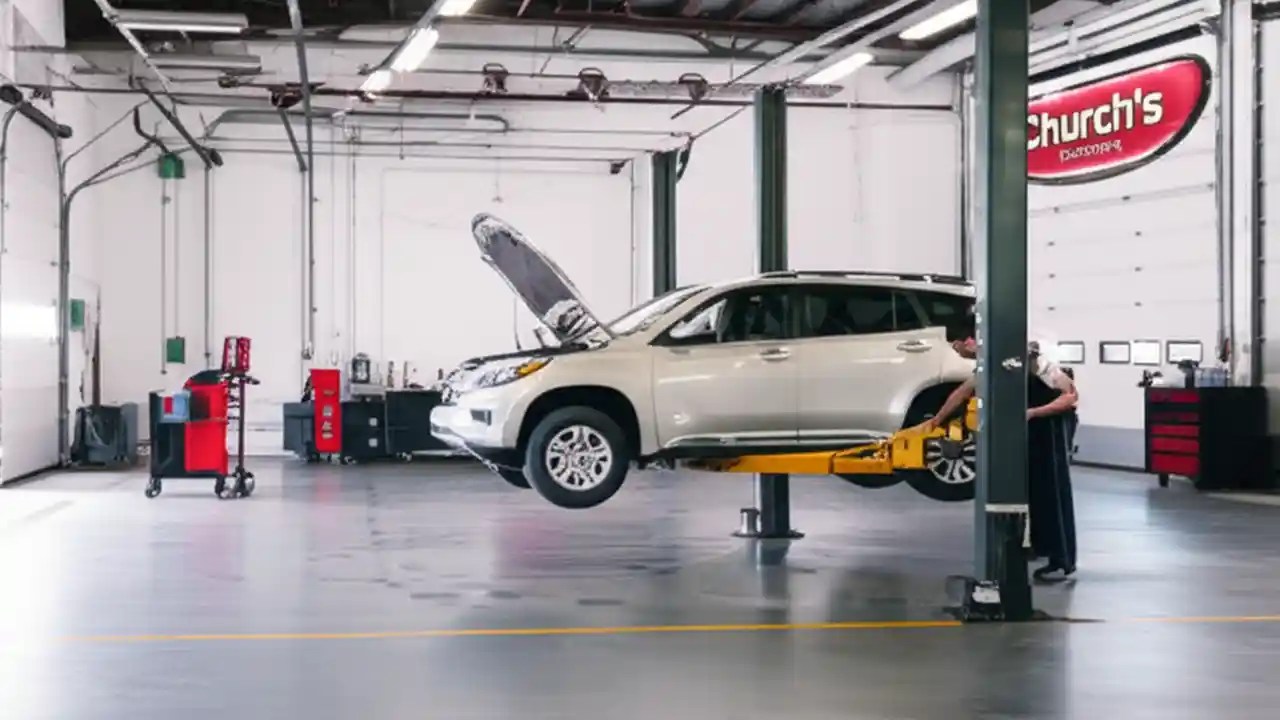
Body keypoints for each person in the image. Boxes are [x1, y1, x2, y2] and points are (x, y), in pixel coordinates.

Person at [916, 339, 1080, 581]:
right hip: (1030, 428)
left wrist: (1033, 413)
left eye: (957, 347)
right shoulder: (990, 363)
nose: (957, 352)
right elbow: (961, 393)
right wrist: (935, 421)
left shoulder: (1036, 362)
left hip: (1052, 426)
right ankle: (1041, 547)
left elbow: (1070, 397)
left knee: (1052, 491)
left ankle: (1062, 560)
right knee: (1032, 491)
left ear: (971, 342)